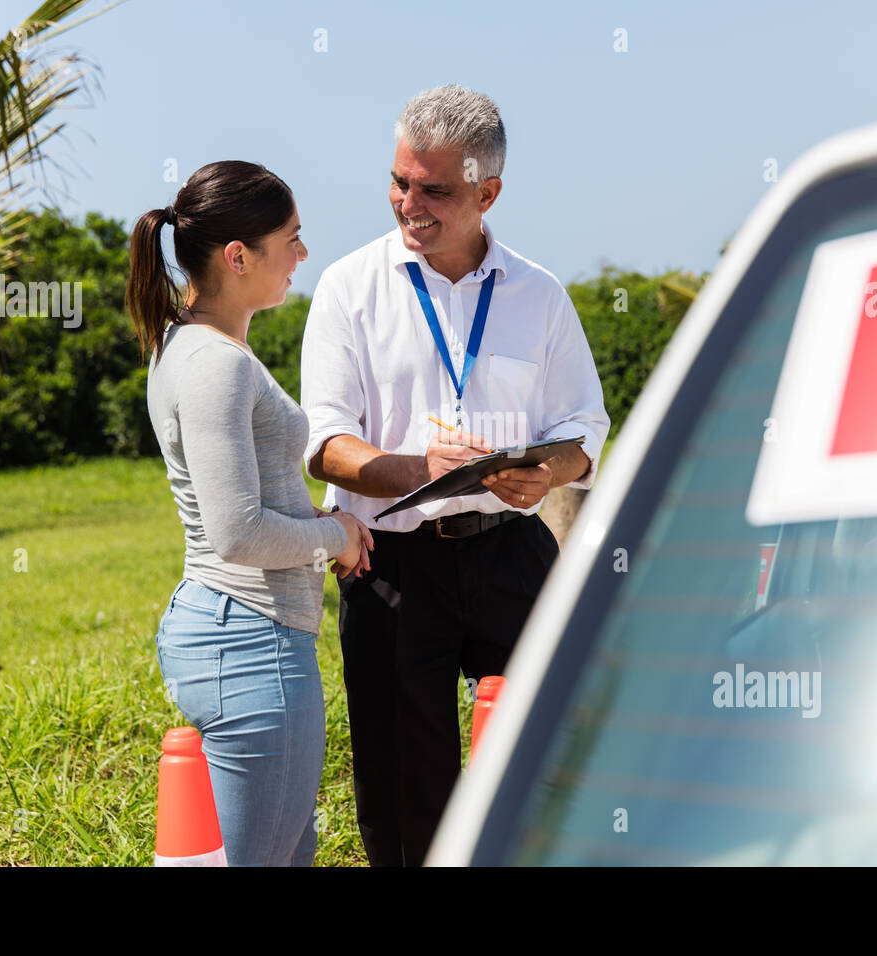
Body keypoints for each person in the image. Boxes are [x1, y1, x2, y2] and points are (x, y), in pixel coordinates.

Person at [301, 85, 611, 866]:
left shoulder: (539, 296)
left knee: (555, 746)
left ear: (488, 192)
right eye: (400, 181)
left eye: (434, 189)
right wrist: (416, 469)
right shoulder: (347, 288)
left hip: (511, 550)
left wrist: (546, 471)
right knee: (408, 783)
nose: (410, 204)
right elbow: (325, 445)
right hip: (392, 566)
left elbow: (585, 431)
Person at [127, 160, 374, 866]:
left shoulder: (192, 344)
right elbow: (236, 530)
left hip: (237, 635)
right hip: (250, 642)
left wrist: (322, 520)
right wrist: (335, 534)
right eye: (291, 239)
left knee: (285, 853)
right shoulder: (215, 362)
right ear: (239, 257)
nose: (303, 255)